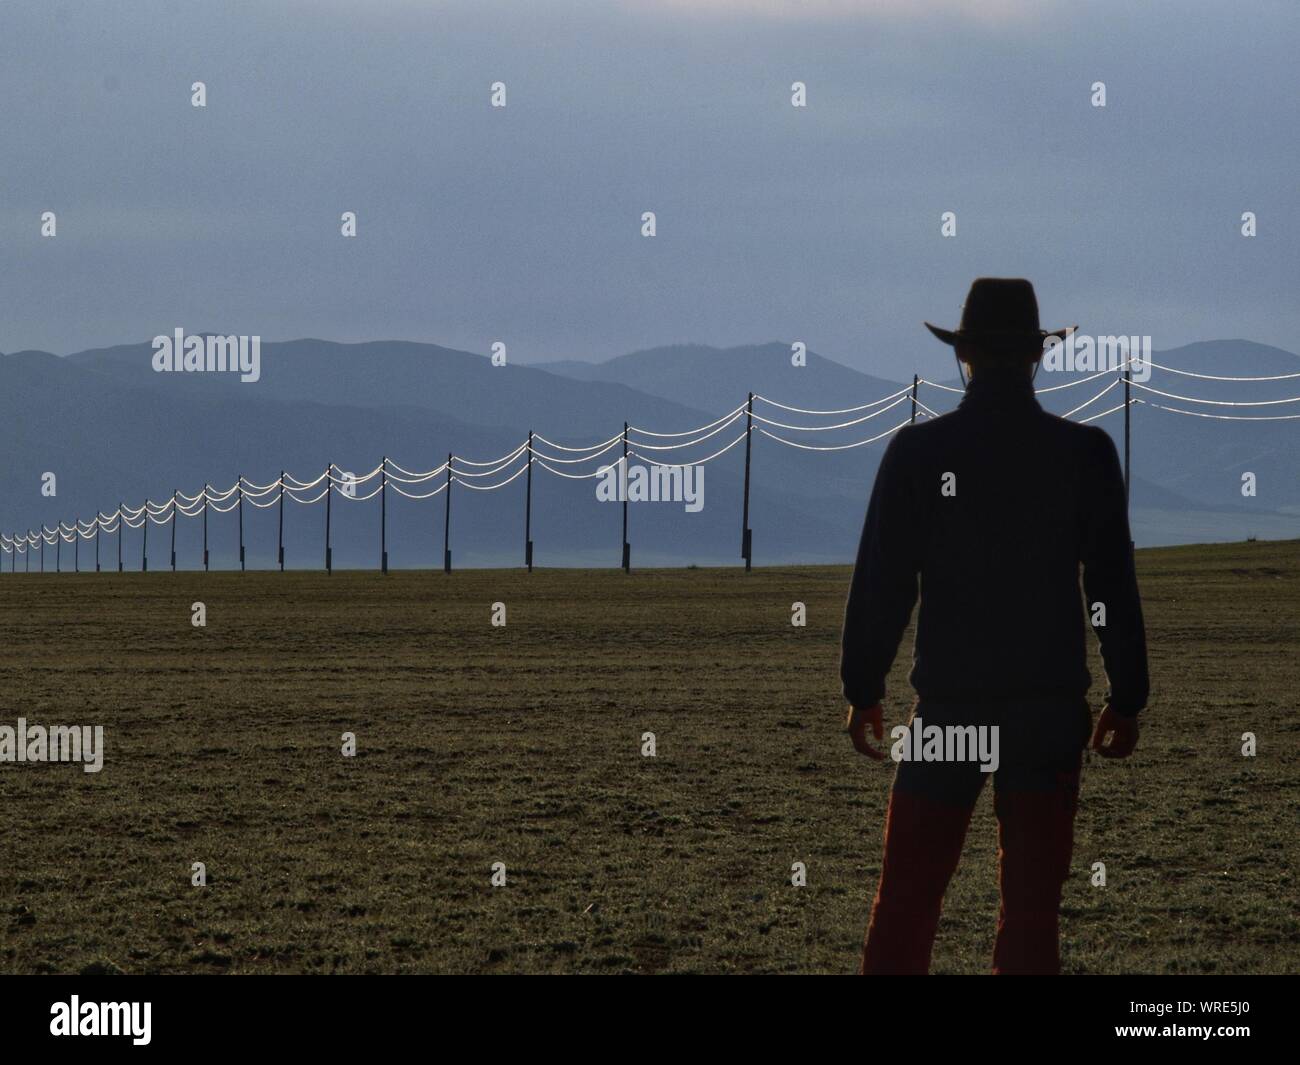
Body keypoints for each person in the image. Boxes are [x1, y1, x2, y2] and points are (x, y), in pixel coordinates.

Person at [841, 278, 1149, 975]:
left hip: (949, 709)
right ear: (1038, 356)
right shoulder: (1085, 454)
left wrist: (864, 685)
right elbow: (1110, 587)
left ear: (966, 354)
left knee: (908, 900)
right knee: (1032, 911)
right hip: (1047, 713)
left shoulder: (917, 454)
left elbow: (885, 585)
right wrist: (1126, 695)